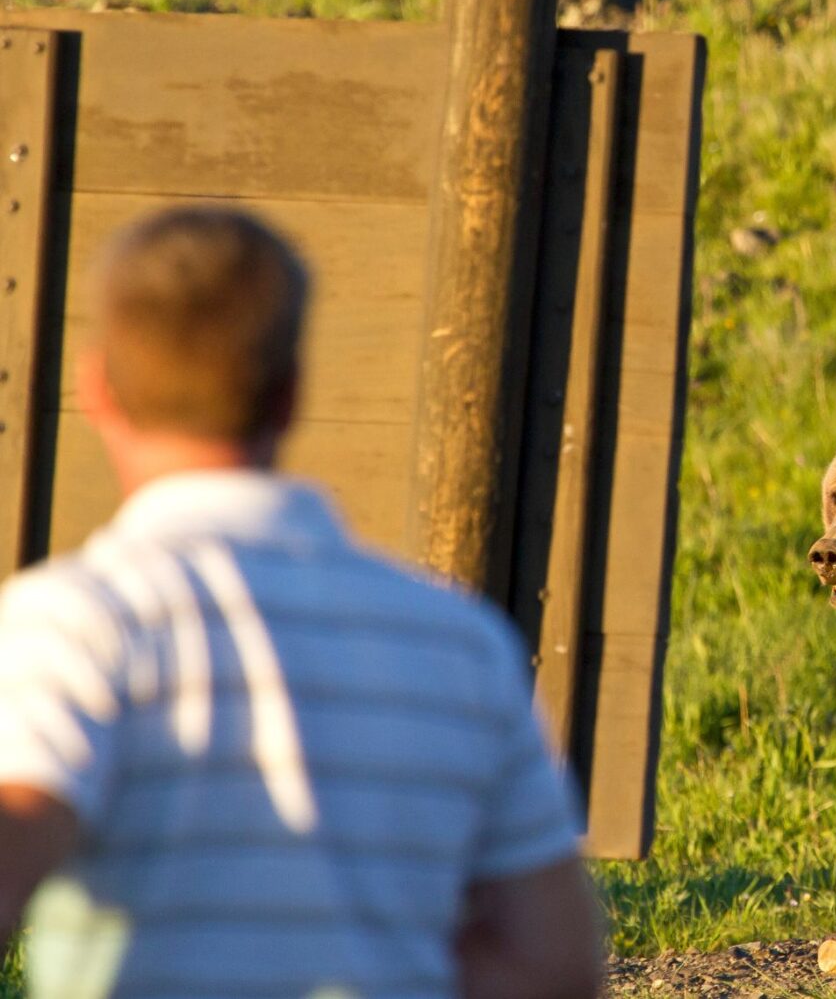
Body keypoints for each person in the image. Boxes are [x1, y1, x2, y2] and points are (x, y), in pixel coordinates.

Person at [0, 206, 605, 999]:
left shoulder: (72, 622)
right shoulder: (461, 643)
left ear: (97, 387)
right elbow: (556, 965)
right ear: (290, 393)